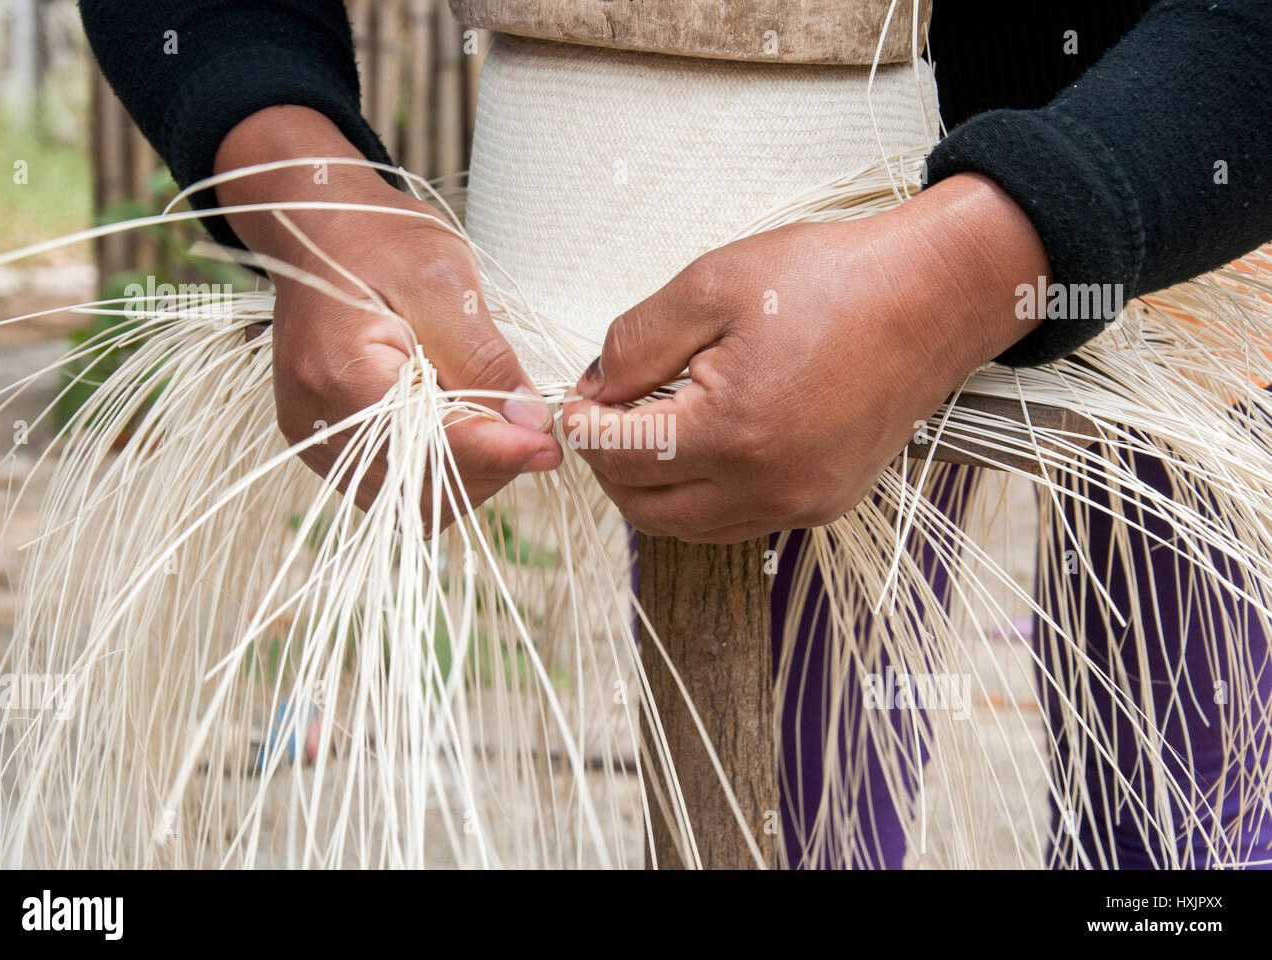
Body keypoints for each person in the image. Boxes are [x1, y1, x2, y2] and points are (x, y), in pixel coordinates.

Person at [79, 0, 1272, 866]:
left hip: (1201, 181)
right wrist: (293, 176)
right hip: (751, 202)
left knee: (1189, 801)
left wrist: (991, 250)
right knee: (792, 809)